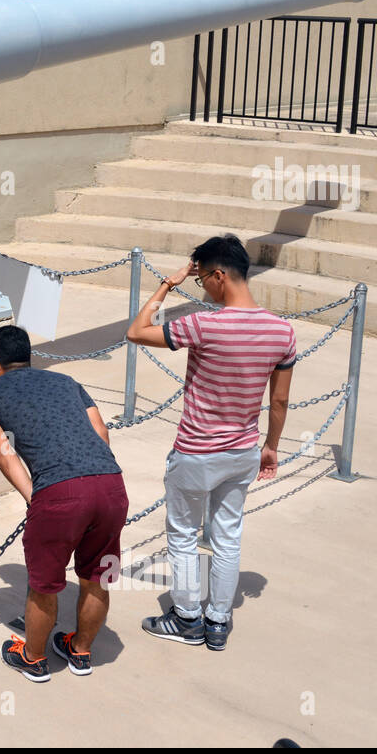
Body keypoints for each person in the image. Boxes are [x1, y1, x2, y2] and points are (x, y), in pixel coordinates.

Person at [126, 234, 295, 651]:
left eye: (201, 279)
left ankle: (187, 618)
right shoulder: (281, 331)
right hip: (242, 452)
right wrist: (271, 446)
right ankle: (218, 622)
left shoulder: (203, 324)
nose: (200, 286)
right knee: (227, 536)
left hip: (196, 452)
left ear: (219, 276)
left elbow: (136, 331)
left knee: (183, 535)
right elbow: (280, 399)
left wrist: (169, 283)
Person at [0, 325, 128, 682]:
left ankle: (34, 657)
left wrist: (33, 495)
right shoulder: (67, 382)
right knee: (95, 577)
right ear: (28, 357)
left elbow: (4, 451)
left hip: (58, 494)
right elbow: (100, 431)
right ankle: (81, 651)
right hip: (110, 484)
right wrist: (96, 474)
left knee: (43, 584)